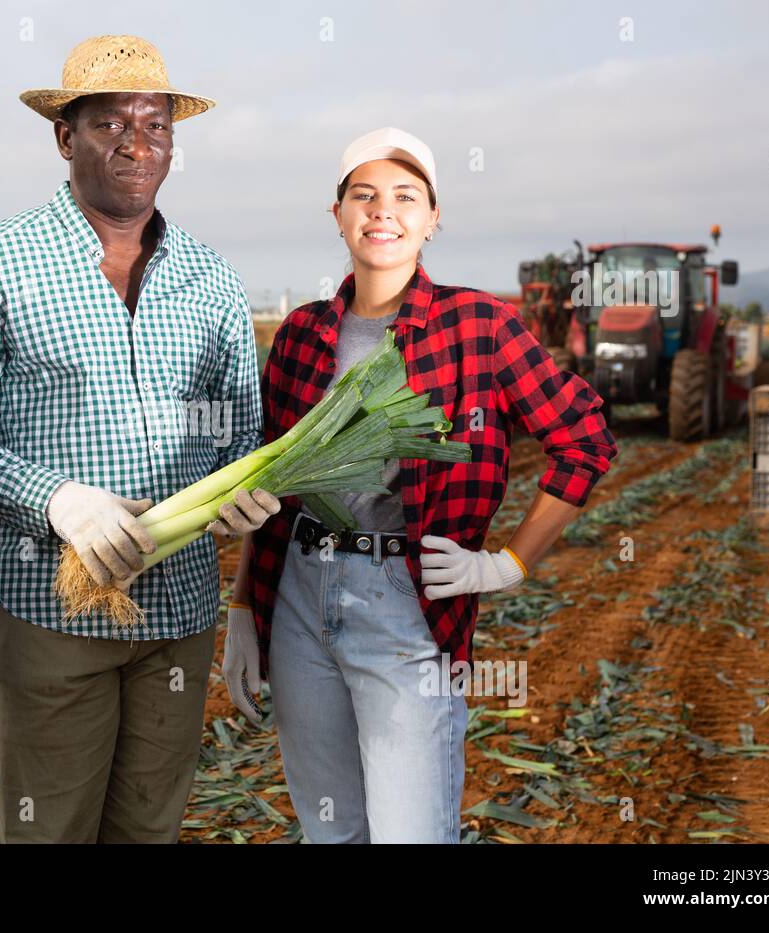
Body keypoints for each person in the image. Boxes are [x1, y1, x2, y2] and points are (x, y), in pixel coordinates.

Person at [0, 34, 278, 843]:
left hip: (178, 614)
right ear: (64, 136)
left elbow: (237, 428)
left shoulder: (210, 277)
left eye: (155, 123)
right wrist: (57, 501)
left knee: (148, 832)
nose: (137, 140)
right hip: (51, 611)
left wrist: (238, 491)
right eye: (111, 121)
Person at [223, 127, 618, 843]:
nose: (384, 210)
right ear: (338, 214)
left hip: (407, 604)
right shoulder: (301, 334)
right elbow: (269, 481)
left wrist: (507, 563)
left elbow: (584, 438)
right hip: (300, 602)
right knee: (330, 830)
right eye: (364, 195)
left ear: (434, 217)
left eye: (406, 196)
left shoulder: (480, 325)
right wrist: (246, 605)